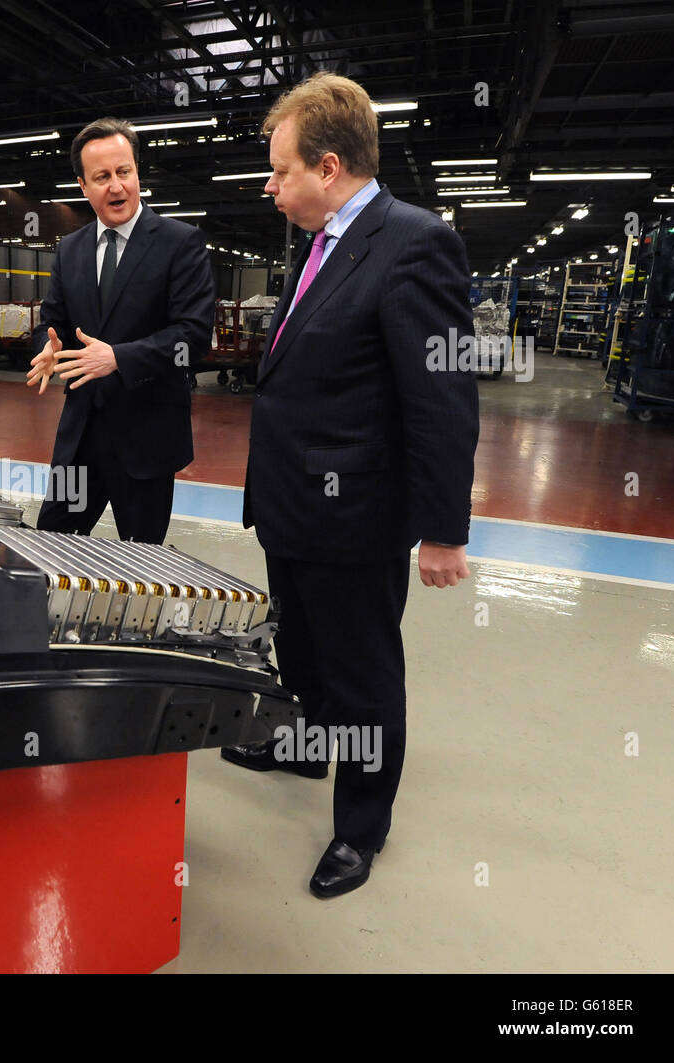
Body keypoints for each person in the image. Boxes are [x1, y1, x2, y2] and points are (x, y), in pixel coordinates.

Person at [223, 73, 479, 898]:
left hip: (357, 518)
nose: (270, 186)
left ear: (328, 167)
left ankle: (361, 826)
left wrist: (444, 528)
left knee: (363, 676)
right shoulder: (322, 241)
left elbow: (441, 396)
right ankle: (301, 747)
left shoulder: (414, 243)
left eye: (280, 170)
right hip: (294, 509)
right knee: (296, 648)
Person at [26, 117, 214, 544]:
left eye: (124, 172)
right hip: (81, 442)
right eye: (102, 177)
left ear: (137, 173)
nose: (116, 186)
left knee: (143, 566)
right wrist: (47, 348)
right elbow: (50, 322)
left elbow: (194, 335)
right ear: (83, 186)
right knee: (54, 547)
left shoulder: (180, 243)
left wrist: (119, 358)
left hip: (147, 444)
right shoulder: (70, 250)